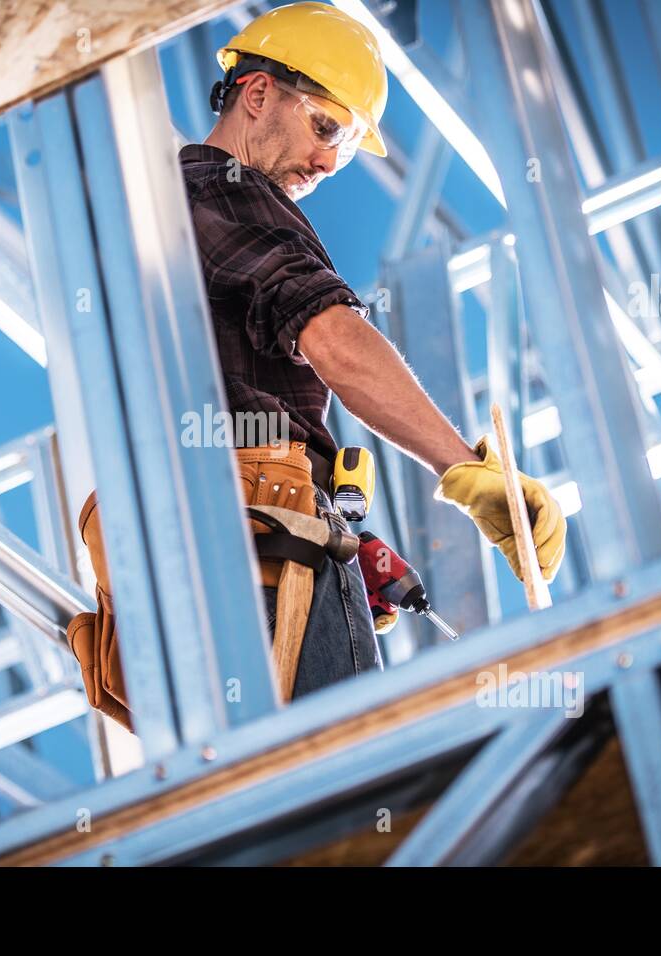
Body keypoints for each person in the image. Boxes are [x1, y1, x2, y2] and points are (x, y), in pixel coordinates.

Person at [177, 2, 567, 694]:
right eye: (325, 125)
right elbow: (335, 339)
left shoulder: (177, 222)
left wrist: (342, 541)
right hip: (264, 545)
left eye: (347, 147)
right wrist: (470, 476)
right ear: (258, 93)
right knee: (351, 783)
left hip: (201, 566)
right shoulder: (230, 191)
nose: (329, 161)